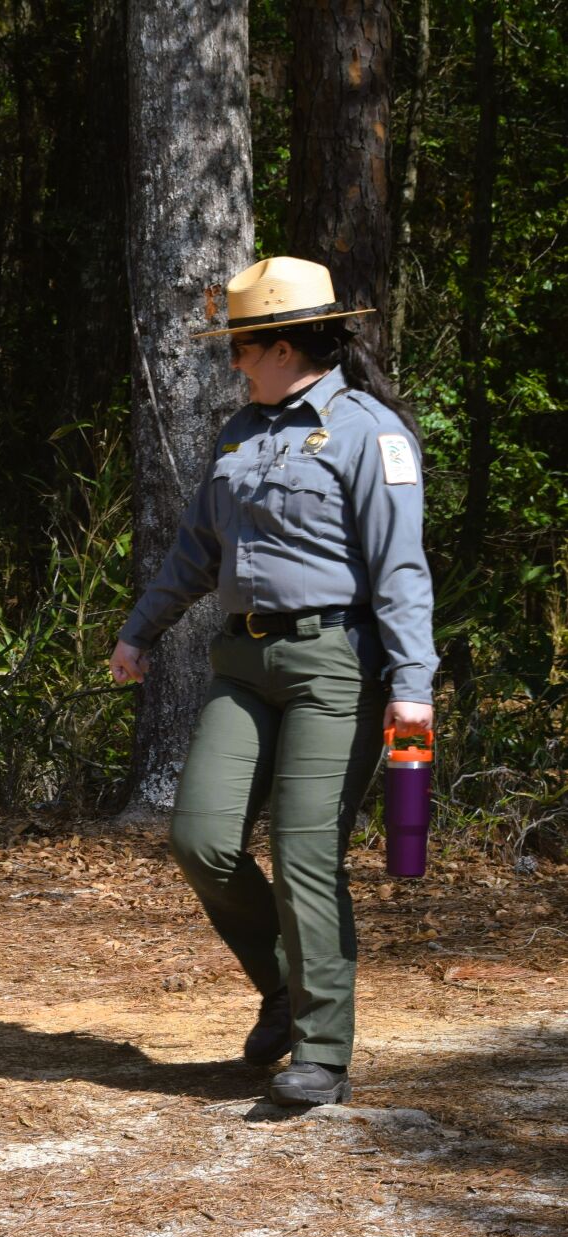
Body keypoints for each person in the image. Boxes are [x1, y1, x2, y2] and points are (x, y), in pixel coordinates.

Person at [108, 256, 436, 1107]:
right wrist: (140, 630)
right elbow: (196, 548)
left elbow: (400, 568)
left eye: (241, 347)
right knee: (200, 839)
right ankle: (285, 985)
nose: (233, 362)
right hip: (243, 661)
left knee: (304, 853)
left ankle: (321, 1051)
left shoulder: (369, 434)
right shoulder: (238, 432)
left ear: (283, 347)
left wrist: (412, 682)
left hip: (336, 665)